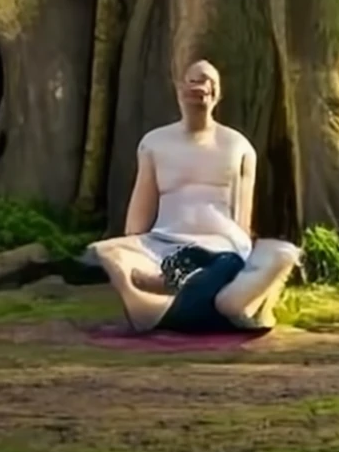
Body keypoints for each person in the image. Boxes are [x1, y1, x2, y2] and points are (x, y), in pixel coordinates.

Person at [89, 59, 301, 333]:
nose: (200, 85)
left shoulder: (239, 147)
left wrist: (244, 252)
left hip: (221, 249)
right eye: (193, 80)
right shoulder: (153, 143)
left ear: (217, 93)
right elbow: (137, 220)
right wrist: (131, 251)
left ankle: (199, 293)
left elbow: (242, 218)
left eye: (208, 81)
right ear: (179, 89)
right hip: (165, 244)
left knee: (241, 276)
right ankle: (208, 301)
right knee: (107, 252)